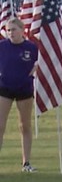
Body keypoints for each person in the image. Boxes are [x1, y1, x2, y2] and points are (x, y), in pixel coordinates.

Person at [0, 18, 37, 172]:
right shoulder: (2, 46)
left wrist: (31, 74)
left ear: (22, 30)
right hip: (4, 88)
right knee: (0, 125)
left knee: (25, 125)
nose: (11, 33)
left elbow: (38, 64)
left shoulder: (31, 47)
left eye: (14, 29)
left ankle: (26, 163)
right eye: (8, 30)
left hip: (24, 89)